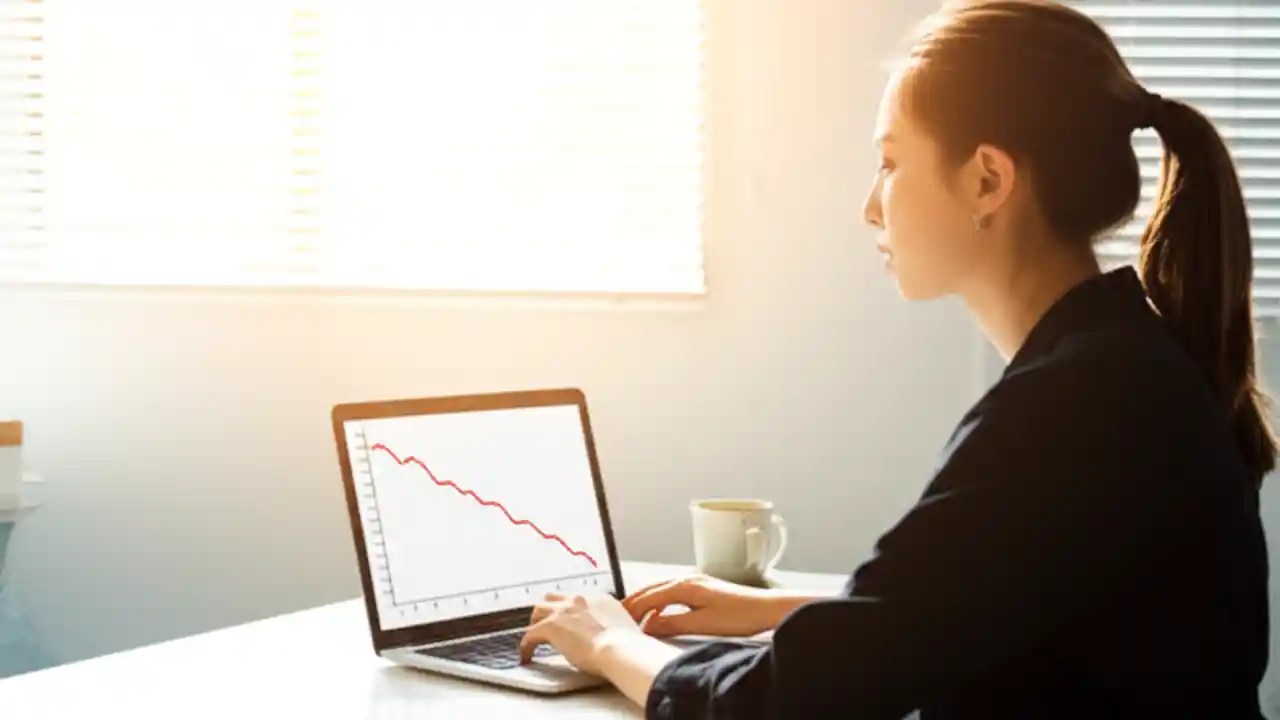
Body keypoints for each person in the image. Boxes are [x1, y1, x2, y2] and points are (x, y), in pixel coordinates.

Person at [518, 1, 1273, 716]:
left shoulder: (1075, 405)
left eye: (889, 162)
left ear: (987, 179)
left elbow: (788, 704)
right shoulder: (1120, 364)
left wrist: (610, 644)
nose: (870, 206)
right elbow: (1004, 609)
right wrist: (788, 612)